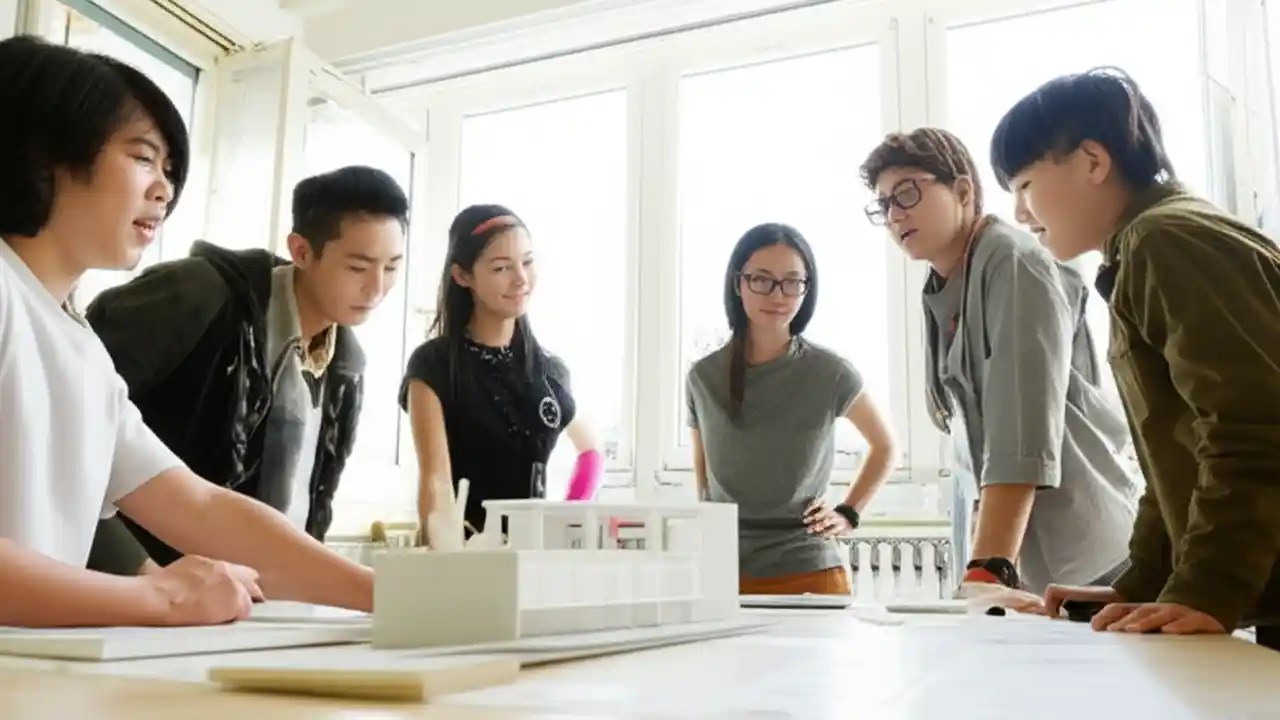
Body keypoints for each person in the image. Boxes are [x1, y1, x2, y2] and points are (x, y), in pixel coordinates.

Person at [0, 35, 371, 627]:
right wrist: (158, 596)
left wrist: (391, 595)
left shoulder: (81, 350)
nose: (164, 189)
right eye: (143, 157)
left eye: (169, 170)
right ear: (44, 151)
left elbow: (199, 507)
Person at [989, 67, 1280, 645]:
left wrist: (1206, 591)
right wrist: (1142, 583)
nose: (1020, 213)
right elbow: (1171, 459)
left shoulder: (1166, 241)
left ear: (1093, 161)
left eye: (1023, 185)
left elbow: (1254, 427)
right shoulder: (1146, 246)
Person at [83, 164, 408, 576]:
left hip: (243, 602)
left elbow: (309, 509)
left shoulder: (345, 364)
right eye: (359, 268)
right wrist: (139, 569)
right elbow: (63, 427)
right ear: (302, 251)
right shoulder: (198, 296)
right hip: (125, 586)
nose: (377, 288)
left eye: (393, 267)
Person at [859, 127, 1139, 599]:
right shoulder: (944, 288)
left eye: (907, 193)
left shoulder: (1013, 259)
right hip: (1034, 567)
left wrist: (987, 571)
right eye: (884, 205)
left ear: (964, 190)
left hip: (1091, 555)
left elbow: (1019, 433)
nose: (895, 215)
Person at [686, 223, 897, 596]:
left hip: (809, 571)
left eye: (792, 281)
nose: (778, 294)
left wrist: (848, 513)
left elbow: (885, 447)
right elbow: (704, 488)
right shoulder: (703, 377)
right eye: (762, 280)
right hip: (723, 573)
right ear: (739, 283)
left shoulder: (830, 372)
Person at [400, 204, 602, 542]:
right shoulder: (434, 366)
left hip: (533, 564)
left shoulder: (550, 372)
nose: (521, 279)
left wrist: (569, 519)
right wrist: (452, 561)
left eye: (527, 261)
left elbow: (592, 451)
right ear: (463, 277)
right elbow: (436, 487)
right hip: (463, 561)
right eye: (501, 268)